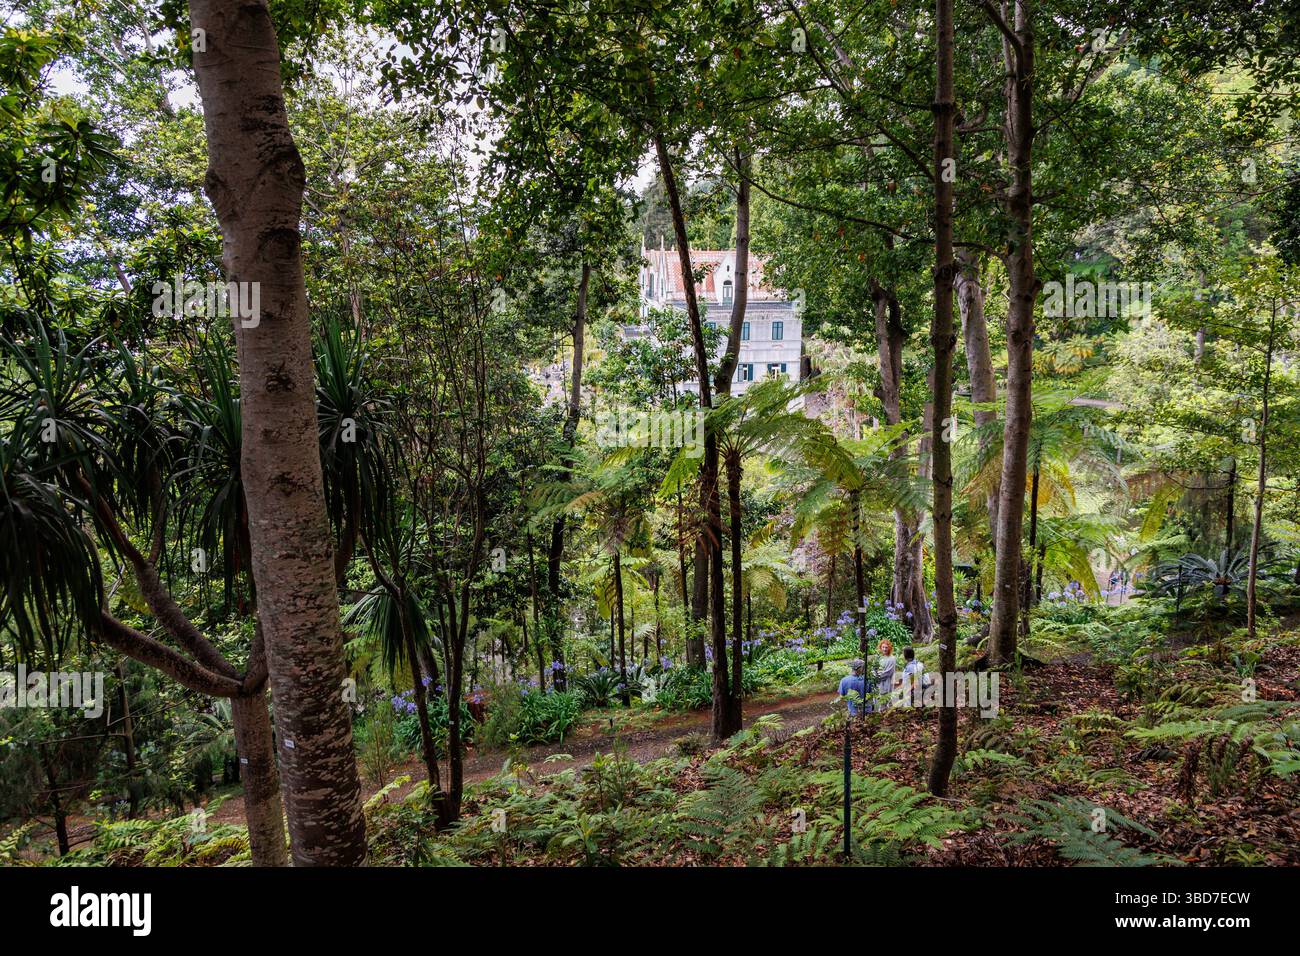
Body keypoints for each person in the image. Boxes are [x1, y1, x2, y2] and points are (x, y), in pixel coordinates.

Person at [873, 639, 897, 711]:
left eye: (886, 647)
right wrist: (874, 675)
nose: (884, 649)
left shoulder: (892, 658)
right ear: (880, 647)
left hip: (886, 682)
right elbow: (873, 668)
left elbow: (888, 672)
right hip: (877, 682)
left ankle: (884, 713)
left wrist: (877, 676)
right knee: (877, 699)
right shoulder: (877, 657)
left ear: (889, 648)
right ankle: (877, 713)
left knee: (885, 699)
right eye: (883, 647)